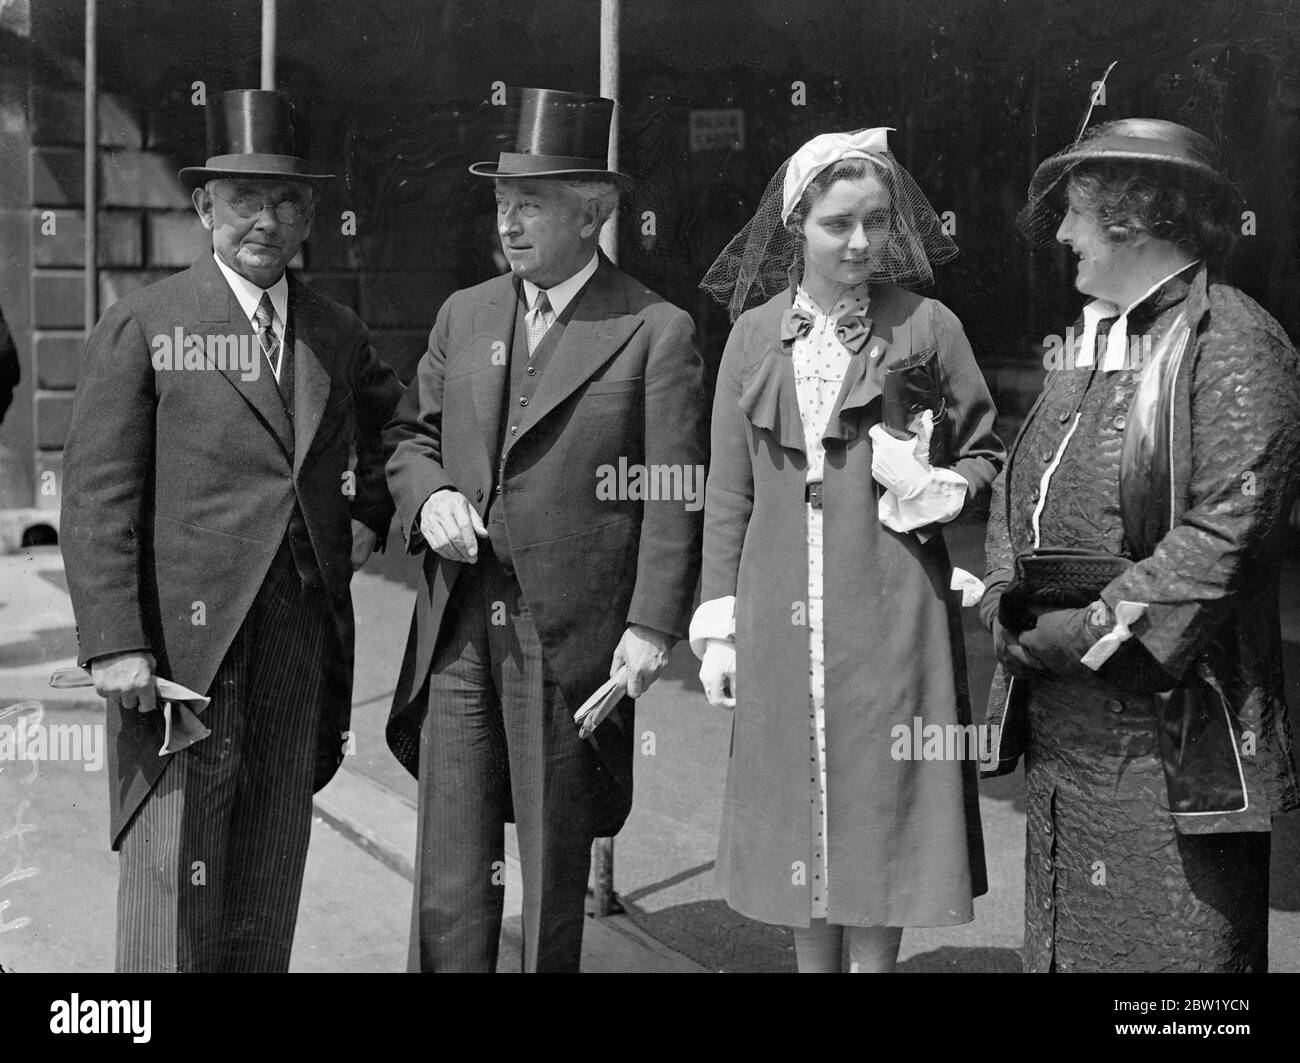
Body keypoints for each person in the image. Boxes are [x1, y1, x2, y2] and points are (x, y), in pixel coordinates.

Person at [60, 89, 403, 972]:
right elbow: (97, 495)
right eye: (244, 198)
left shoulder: (337, 330)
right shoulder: (146, 323)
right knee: (172, 884)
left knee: (267, 871)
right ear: (205, 207)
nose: (267, 220)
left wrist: (368, 520)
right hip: (181, 656)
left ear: (311, 215)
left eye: (287, 201)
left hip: (299, 638)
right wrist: (115, 644)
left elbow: (399, 431)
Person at [383, 87, 706, 973]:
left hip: (569, 638)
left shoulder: (654, 329)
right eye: (502, 204)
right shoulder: (467, 313)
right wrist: (432, 494)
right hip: (456, 623)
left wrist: (650, 626)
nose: (510, 223)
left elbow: (676, 490)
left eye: (531, 204)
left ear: (592, 212)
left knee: (552, 871)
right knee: (450, 867)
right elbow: (411, 436)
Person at [982, 118, 1300, 972]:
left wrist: (1082, 633)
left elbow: (1226, 535)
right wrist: (1002, 596)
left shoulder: (1233, 340)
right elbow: (1022, 493)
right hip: (1065, 735)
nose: (1062, 234)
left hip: (1171, 740)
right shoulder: (1089, 340)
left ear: (1133, 216)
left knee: (1174, 979)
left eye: (1077, 213)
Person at [694, 128, 1004, 972]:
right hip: (781, 604)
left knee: (881, 792)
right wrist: (719, 622)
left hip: (893, 599)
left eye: (874, 220)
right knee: (800, 792)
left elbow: (984, 451)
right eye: (838, 224)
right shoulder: (753, 338)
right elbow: (729, 490)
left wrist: (941, 488)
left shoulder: (926, 327)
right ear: (798, 225)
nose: (861, 242)